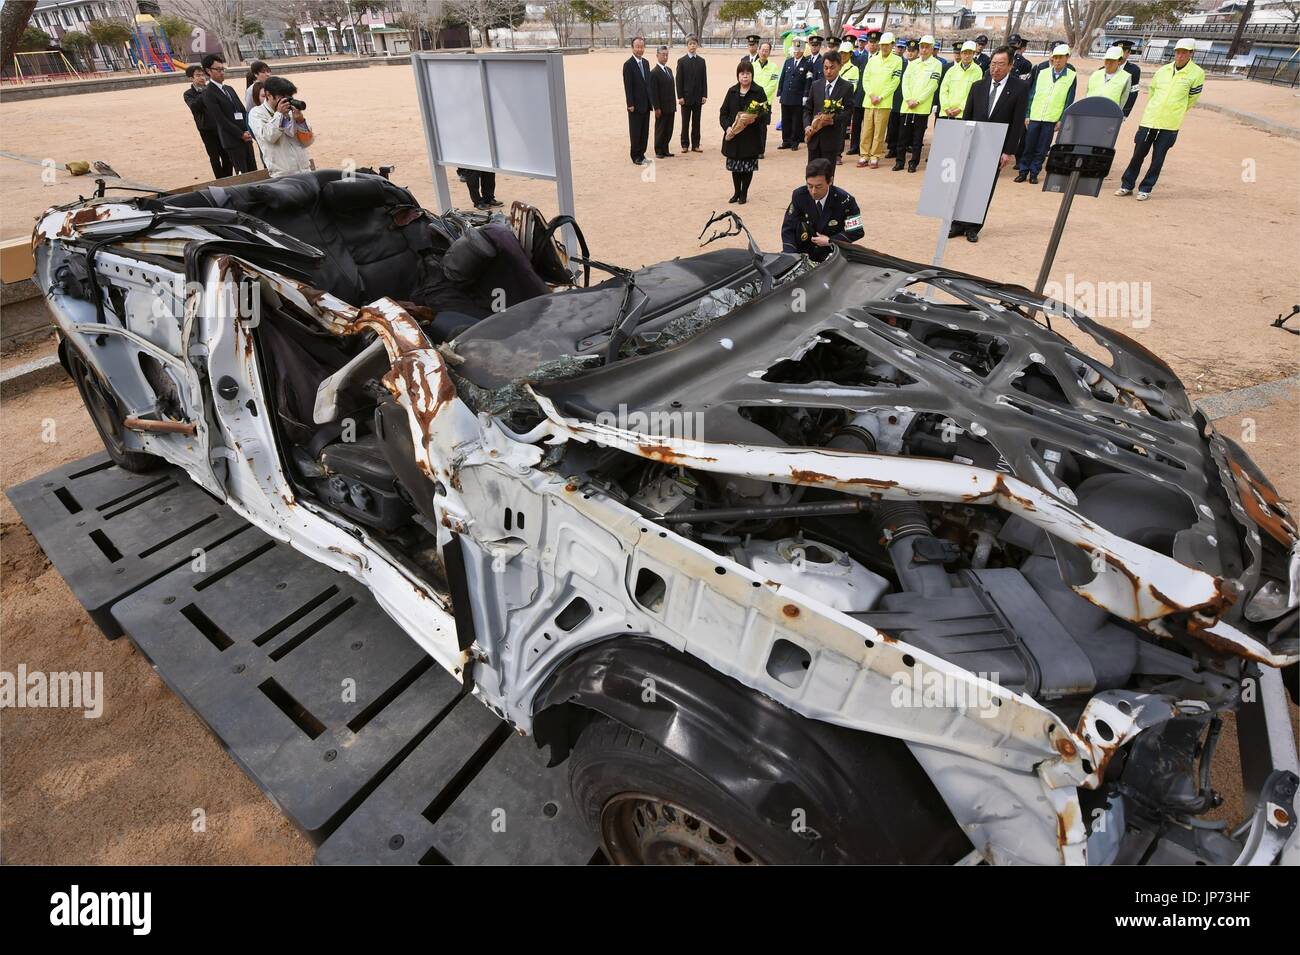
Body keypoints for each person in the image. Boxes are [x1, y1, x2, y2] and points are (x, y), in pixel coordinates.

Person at [951, 46, 1028, 243]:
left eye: (1001, 64)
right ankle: (958, 223)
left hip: (996, 147)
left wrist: (1008, 151)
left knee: (983, 187)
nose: (996, 68)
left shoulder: (1019, 88)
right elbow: (967, 116)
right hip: (973, 143)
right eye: (993, 64)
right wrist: (962, 140)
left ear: (1010, 65)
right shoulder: (978, 86)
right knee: (964, 183)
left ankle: (973, 226)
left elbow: (1017, 123)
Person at [1117, 38, 1205, 201]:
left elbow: (1192, 98)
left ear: (1191, 53)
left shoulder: (1197, 74)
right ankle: (1127, 185)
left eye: (1184, 52)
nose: (1180, 56)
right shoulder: (1163, 70)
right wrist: (1155, 108)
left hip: (1170, 123)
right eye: (1178, 52)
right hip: (1150, 119)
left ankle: (1146, 188)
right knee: (1138, 154)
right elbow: (1153, 92)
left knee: (1158, 157)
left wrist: (1175, 110)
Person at [781, 157, 864, 262]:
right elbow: (789, 228)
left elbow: (857, 231)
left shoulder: (845, 201)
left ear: (830, 181)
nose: (813, 191)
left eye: (818, 186)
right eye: (809, 186)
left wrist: (831, 241)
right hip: (802, 252)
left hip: (831, 255)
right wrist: (791, 256)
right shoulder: (799, 196)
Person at [1017, 44, 1076, 184]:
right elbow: (1032, 95)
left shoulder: (1071, 76)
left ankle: (1034, 173)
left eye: (1061, 57)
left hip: (1051, 118)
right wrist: (1027, 114)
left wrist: (1062, 119)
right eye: (1055, 57)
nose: (1057, 60)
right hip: (1035, 116)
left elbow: (1069, 100)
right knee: (1028, 145)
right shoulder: (1042, 73)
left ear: (1067, 58)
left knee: (1042, 148)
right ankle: (1023, 171)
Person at [719, 61, 769, 204]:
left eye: (748, 74)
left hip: (750, 137)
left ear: (752, 75)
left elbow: (766, 112)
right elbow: (723, 113)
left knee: (747, 167)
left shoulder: (758, 91)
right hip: (734, 136)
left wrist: (755, 118)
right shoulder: (732, 91)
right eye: (742, 74)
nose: (745, 77)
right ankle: (736, 192)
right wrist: (727, 127)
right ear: (738, 75)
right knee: (735, 167)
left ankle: (744, 193)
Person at [201, 53, 256, 174]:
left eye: (222, 69)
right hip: (232, 140)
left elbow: (242, 111)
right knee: (243, 174)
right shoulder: (208, 93)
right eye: (218, 69)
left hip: (246, 137)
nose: (222, 72)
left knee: (253, 171)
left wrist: (247, 130)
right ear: (208, 71)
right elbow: (220, 119)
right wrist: (240, 134)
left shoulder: (229, 89)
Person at [250, 76, 314, 178]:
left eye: (289, 96)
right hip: (283, 175)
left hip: (305, 170)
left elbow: (307, 142)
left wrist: (301, 121)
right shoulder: (257, 113)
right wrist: (280, 115)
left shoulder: (291, 111)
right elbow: (269, 137)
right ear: (268, 95)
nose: (286, 100)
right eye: (282, 96)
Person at [895, 36, 942, 173]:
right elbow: (905, 82)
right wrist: (908, 99)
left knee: (917, 139)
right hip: (907, 106)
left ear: (932, 48)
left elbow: (932, 85)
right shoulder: (913, 63)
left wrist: (918, 100)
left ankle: (913, 163)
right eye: (922, 47)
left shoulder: (936, 64)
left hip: (921, 108)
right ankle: (899, 162)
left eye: (927, 47)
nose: (924, 49)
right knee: (902, 137)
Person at [856, 32, 902, 168]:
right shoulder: (873, 60)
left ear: (892, 45)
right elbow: (866, 79)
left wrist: (881, 97)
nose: (884, 48)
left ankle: (875, 156)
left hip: (884, 102)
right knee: (867, 130)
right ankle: (864, 155)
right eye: (882, 45)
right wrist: (871, 95)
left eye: (887, 45)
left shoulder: (897, 61)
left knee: (879, 131)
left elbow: (895, 82)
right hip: (869, 100)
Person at [804, 52, 852, 164]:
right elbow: (807, 109)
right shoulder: (816, 85)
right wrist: (807, 126)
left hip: (832, 140)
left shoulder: (847, 87)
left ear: (840, 66)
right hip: (814, 139)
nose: (828, 71)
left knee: (827, 175)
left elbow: (848, 112)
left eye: (832, 67)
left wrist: (832, 120)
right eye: (826, 68)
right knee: (812, 174)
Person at [183, 64, 228, 180]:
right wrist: (204, 92)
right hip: (206, 129)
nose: (202, 78)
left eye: (203, 75)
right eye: (198, 75)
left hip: (220, 126)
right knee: (214, 157)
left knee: (227, 155)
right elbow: (194, 106)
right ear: (191, 78)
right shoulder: (189, 94)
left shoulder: (212, 88)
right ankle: (220, 180)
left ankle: (228, 178)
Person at [847, 29, 880, 156]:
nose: (872, 45)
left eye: (875, 42)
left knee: (871, 125)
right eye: (870, 42)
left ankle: (869, 148)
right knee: (856, 124)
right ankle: (854, 146)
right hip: (860, 96)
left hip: (873, 97)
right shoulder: (861, 58)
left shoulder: (880, 59)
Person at [884, 39, 917, 161]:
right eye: (909, 50)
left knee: (905, 128)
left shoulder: (919, 66)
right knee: (893, 125)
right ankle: (892, 149)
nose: (910, 53)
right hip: (897, 98)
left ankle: (902, 150)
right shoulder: (901, 64)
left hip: (910, 101)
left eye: (913, 51)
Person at [777, 37, 812, 150]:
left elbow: (808, 81)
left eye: (799, 50)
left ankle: (794, 141)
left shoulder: (807, 64)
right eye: (795, 50)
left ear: (802, 51)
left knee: (796, 120)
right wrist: (780, 91)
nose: (797, 52)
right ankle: (785, 140)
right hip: (786, 96)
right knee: (785, 119)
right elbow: (783, 77)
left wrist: (806, 95)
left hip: (798, 96)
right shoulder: (788, 61)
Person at [676, 35, 708, 153]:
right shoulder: (682, 61)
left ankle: (695, 145)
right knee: (685, 122)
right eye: (690, 44)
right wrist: (680, 96)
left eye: (694, 43)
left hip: (698, 97)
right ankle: (685, 144)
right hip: (686, 98)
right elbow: (678, 80)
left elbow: (704, 79)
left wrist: (704, 94)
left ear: (697, 45)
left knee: (696, 122)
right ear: (687, 45)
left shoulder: (701, 61)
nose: (692, 46)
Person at [623, 37, 653, 165]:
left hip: (646, 104)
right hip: (635, 105)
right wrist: (630, 104)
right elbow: (628, 86)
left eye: (642, 47)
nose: (640, 49)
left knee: (644, 131)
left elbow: (648, 84)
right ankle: (635, 156)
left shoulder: (646, 63)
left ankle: (642, 153)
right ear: (632, 48)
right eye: (637, 47)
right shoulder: (628, 65)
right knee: (635, 131)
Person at [937, 40, 982, 124]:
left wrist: (960, 108)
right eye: (964, 53)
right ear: (961, 54)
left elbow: (974, 93)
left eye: (970, 53)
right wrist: (946, 107)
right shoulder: (951, 70)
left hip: (963, 113)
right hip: (947, 112)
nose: (967, 56)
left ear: (973, 54)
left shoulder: (978, 71)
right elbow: (943, 90)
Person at [751, 41, 781, 159]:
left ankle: (760, 150)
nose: (764, 53)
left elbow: (773, 85)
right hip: (752, 102)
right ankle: (751, 149)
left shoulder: (773, 67)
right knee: (751, 126)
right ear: (758, 50)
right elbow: (750, 82)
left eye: (766, 51)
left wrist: (761, 96)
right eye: (762, 50)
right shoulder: (752, 65)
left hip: (765, 102)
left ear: (769, 52)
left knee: (762, 127)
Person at [649, 45, 677, 158]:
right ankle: (659, 150)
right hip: (661, 107)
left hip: (670, 105)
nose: (665, 57)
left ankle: (665, 149)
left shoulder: (669, 70)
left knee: (669, 129)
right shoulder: (654, 72)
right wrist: (656, 108)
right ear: (657, 56)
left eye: (667, 55)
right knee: (661, 129)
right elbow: (653, 92)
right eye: (663, 54)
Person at [1117, 39, 1142, 117]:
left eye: (1123, 51)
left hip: (1120, 107)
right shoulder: (1104, 68)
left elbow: (1133, 92)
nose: (1120, 53)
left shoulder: (1134, 70)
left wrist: (1125, 113)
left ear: (1129, 53)